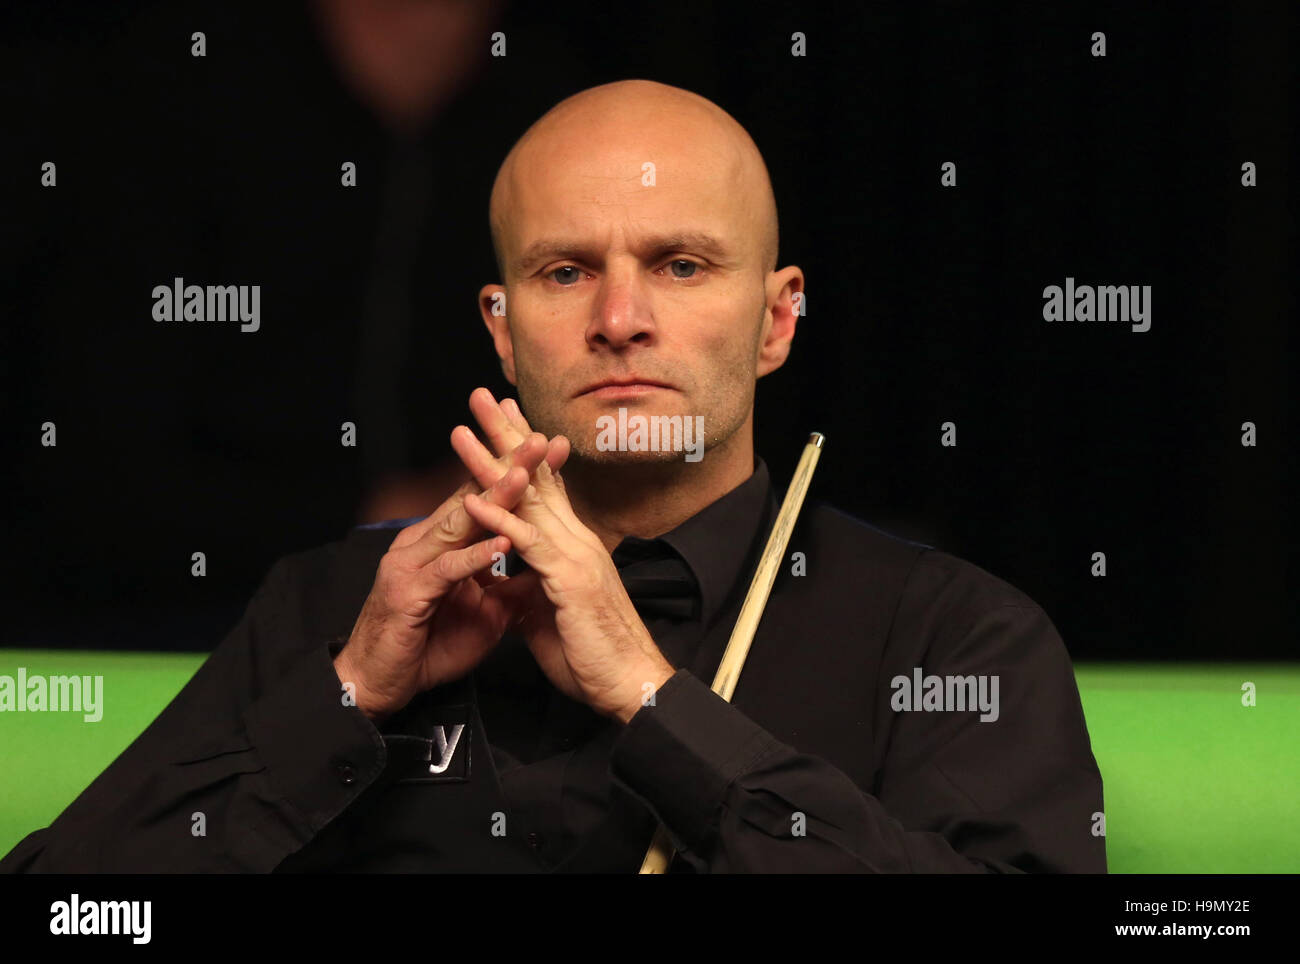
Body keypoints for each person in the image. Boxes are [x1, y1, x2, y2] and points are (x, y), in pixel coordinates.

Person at [1, 79, 1105, 873]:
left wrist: (654, 702)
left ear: (777, 319)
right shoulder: (332, 604)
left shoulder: (955, 639)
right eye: (564, 271)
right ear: (501, 329)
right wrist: (342, 702)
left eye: (680, 265)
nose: (619, 320)